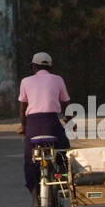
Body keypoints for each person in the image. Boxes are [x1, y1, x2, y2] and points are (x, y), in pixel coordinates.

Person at [18, 52, 71, 193]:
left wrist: (23, 126)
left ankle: (35, 198)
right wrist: (69, 120)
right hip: (51, 122)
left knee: (30, 160)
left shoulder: (25, 81)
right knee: (63, 148)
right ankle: (63, 178)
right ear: (50, 68)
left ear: (34, 67)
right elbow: (66, 103)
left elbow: (23, 107)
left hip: (33, 124)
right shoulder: (58, 79)